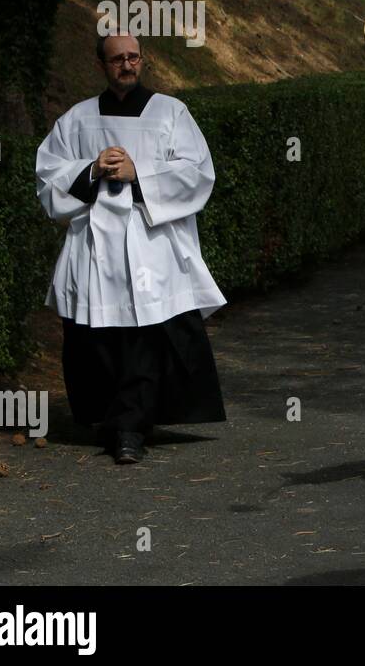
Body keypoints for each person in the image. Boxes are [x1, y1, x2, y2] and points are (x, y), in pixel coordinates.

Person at [36, 31, 226, 464]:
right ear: (101, 65)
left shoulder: (170, 113)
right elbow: (48, 175)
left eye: (134, 57)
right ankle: (112, 420)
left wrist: (139, 172)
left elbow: (198, 173)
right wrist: (91, 168)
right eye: (117, 58)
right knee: (96, 338)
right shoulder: (78, 118)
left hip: (149, 242)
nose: (127, 64)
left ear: (143, 60)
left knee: (144, 338)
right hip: (92, 246)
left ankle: (130, 428)